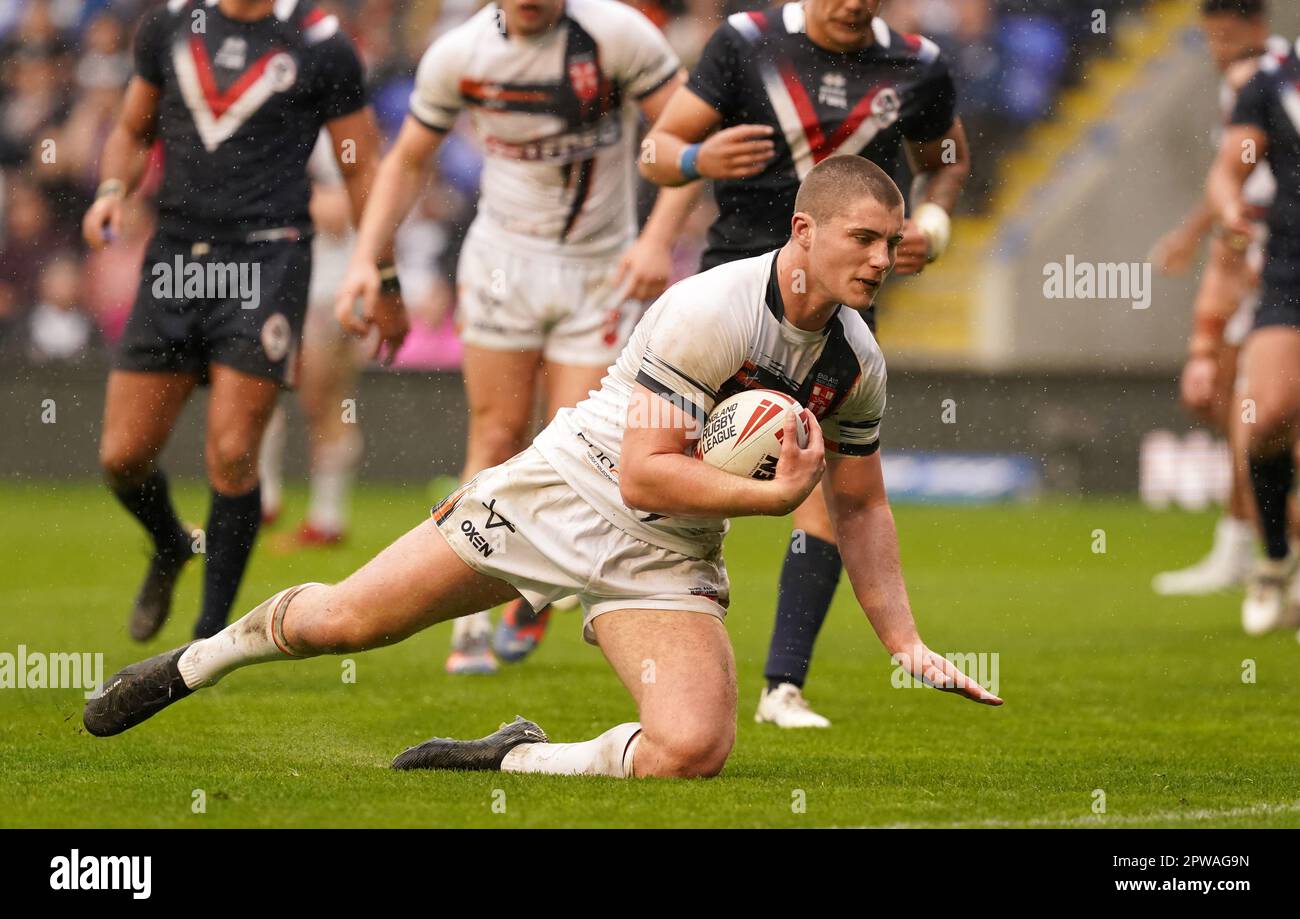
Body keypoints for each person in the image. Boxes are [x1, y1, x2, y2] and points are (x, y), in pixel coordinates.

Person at [83, 156, 1002, 781]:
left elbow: (864, 503)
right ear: (805, 231)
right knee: (346, 621)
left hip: (669, 551)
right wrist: (770, 496)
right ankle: (195, 664)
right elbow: (643, 473)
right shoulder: (709, 310)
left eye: (892, 244)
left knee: (691, 751)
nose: (888, 259)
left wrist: (903, 640)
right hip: (566, 489)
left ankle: (512, 757)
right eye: (866, 241)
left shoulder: (856, 362)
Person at [333, 0, 698, 675]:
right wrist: (368, 257)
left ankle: (529, 596)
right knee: (495, 438)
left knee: (577, 449)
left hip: (599, 269)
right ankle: (470, 618)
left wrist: (656, 238)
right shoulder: (461, 53)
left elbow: (688, 135)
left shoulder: (616, 34)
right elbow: (408, 160)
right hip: (503, 264)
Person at [635, 0, 969, 727]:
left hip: (836, 312)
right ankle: (554, 573)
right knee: (647, 462)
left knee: (827, 481)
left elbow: (946, 163)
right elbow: (654, 153)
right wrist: (698, 159)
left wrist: (933, 227)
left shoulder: (919, 64)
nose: (854, 4)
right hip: (736, 295)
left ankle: (782, 684)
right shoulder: (744, 43)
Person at [82, 0, 402, 641]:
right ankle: (172, 543)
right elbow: (131, 130)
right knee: (121, 457)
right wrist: (113, 191)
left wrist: (382, 271)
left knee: (232, 453)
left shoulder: (321, 43)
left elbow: (360, 164)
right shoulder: (169, 25)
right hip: (174, 255)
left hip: (268, 257)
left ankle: (207, 638)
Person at [1150, 0, 1288, 597]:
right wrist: (1195, 232)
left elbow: (1243, 177)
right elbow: (1233, 176)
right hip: (1261, 257)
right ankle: (1251, 541)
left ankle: (1256, 543)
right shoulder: (1256, 84)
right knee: (1241, 407)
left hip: (1266, 257)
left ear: (1257, 27)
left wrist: (1196, 235)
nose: (1217, 49)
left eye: (1226, 36)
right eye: (1210, 38)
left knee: (1250, 407)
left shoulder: (1260, 81)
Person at [1207, 30, 1300, 635]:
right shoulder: (1273, 82)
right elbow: (1229, 168)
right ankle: (1274, 560)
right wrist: (1230, 204)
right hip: (1291, 271)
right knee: (1265, 418)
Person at [259, 130, 367, 547]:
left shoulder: (331, 136)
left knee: (322, 402)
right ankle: (266, 500)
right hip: (286, 285)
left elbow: (339, 214)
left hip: (330, 292)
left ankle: (326, 518)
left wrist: (277, 185)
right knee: (259, 390)